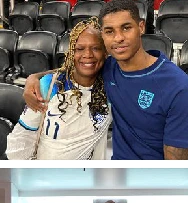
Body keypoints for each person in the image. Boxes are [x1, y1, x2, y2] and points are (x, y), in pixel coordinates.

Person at [24, 0, 188, 160]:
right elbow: (74, 67)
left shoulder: (179, 88)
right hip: (116, 170)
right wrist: (35, 77)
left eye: (126, 28)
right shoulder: (109, 67)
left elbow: (175, 166)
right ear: (103, 35)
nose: (118, 38)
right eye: (109, 31)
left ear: (141, 27)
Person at [6, 19, 112, 160]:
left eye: (96, 48)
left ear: (105, 53)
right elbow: (23, 137)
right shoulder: (49, 85)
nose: (88, 55)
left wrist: (35, 75)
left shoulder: (112, 85)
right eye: (80, 49)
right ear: (71, 54)